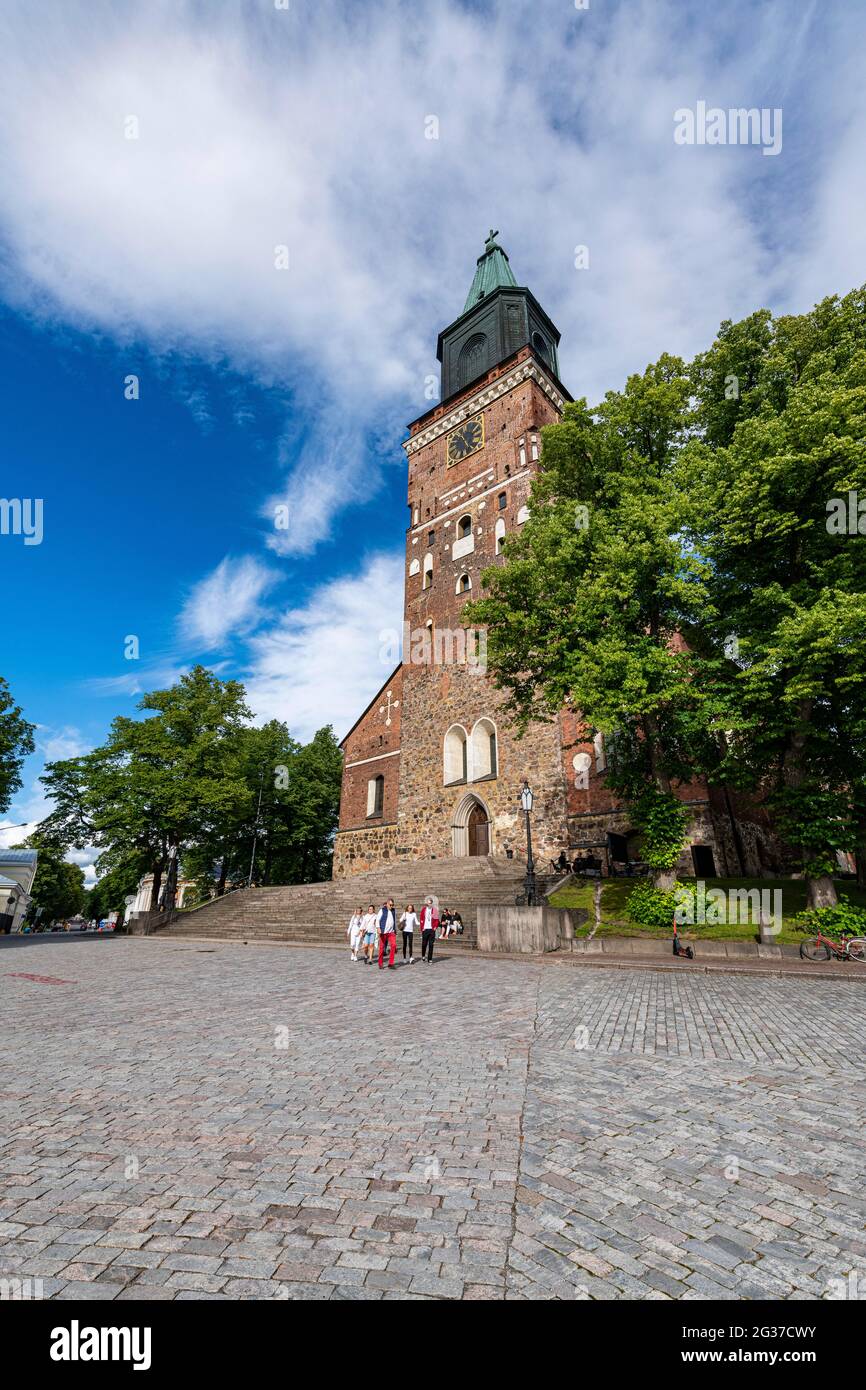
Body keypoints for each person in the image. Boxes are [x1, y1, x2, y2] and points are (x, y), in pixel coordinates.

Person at [378, 898, 397, 970]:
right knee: (382, 948)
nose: (391, 906)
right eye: (390, 905)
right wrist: (378, 928)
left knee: (393, 945)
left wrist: (395, 929)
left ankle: (391, 963)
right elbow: (377, 919)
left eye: (392, 905)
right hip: (383, 932)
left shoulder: (394, 910)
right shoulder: (382, 910)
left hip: (391, 932)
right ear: (387, 904)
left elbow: (394, 920)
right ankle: (380, 963)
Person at [419, 896, 439, 963]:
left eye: (430, 903)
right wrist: (422, 928)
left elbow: (436, 920)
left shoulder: (434, 910)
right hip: (425, 929)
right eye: (428, 903)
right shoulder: (424, 909)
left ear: (432, 903)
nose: (429, 904)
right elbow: (421, 918)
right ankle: (423, 956)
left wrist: (435, 927)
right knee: (424, 944)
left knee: (431, 944)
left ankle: (430, 959)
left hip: (431, 929)